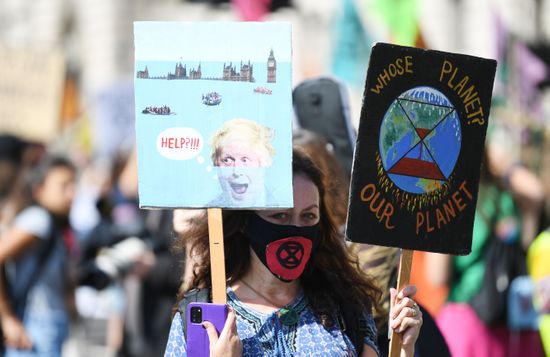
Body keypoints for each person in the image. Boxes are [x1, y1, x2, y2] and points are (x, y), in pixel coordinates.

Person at [165, 148, 423, 356]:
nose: (295, 228)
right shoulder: (203, 319)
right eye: (279, 215)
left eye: (308, 216)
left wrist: (403, 348)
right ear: (245, 221)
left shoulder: (346, 309)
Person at [0, 155, 77, 356]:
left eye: (73, 184)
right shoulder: (38, 220)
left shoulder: (54, 224)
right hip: (34, 329)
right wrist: (7, 318)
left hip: (46, 327)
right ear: (39, 189)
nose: (72, 193)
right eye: (64, 185)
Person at [210, 118, 276, 207]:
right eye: (227, 160)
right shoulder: (206, 216)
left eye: (245, 160)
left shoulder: (283, 209)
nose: (237, 171)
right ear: (216, 165)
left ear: (263, 163)